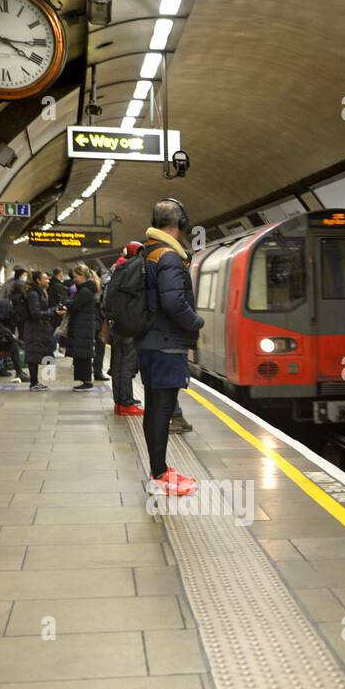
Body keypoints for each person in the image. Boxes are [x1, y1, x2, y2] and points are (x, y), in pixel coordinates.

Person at [136, 199, 203, 495]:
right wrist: (196, 322)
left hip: (148, 343)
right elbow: (174, 302)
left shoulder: (147, 251)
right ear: (181, 224)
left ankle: (157, 471)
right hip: (167, 344)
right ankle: (160, 476)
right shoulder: (170, 258)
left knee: (153, 408)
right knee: (162, 411)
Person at [108, 242, 143, 417]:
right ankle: (127, 403)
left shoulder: (118, 269)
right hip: (129, 324)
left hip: (117, 324)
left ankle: (119, 402)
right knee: (127, 365)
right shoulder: (135, 269)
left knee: (117, 364)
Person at [61, 264, 100, 390]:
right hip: (83, 325)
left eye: (76, 276)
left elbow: (73, 306)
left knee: (83, 354)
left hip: (82, 326)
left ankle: (87, 381)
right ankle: (85, 381)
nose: (74, 279)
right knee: (81, 353)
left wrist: (67, 302)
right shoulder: (85, 289)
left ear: (83, 276)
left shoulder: (85, 291)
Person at [22, 270, 59, 389]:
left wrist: (54, 310)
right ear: (38, 280)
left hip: (40, 327)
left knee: (39, 353)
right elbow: (35, 313)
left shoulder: (40, 292)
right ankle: (34, 383)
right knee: (33, 354)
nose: (48, 280)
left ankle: (37, 382)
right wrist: (52, 312)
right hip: (34, 328)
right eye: (45, 278)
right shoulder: (33, 293)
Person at [8, 267, 30, 338]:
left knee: (20, 330)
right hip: (21, 310)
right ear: (21, 274)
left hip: (16, 309)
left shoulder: (14, 283)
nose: (25, 276)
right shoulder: (20, 284)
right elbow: (25, 295)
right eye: (25, 274)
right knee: (22, 331)